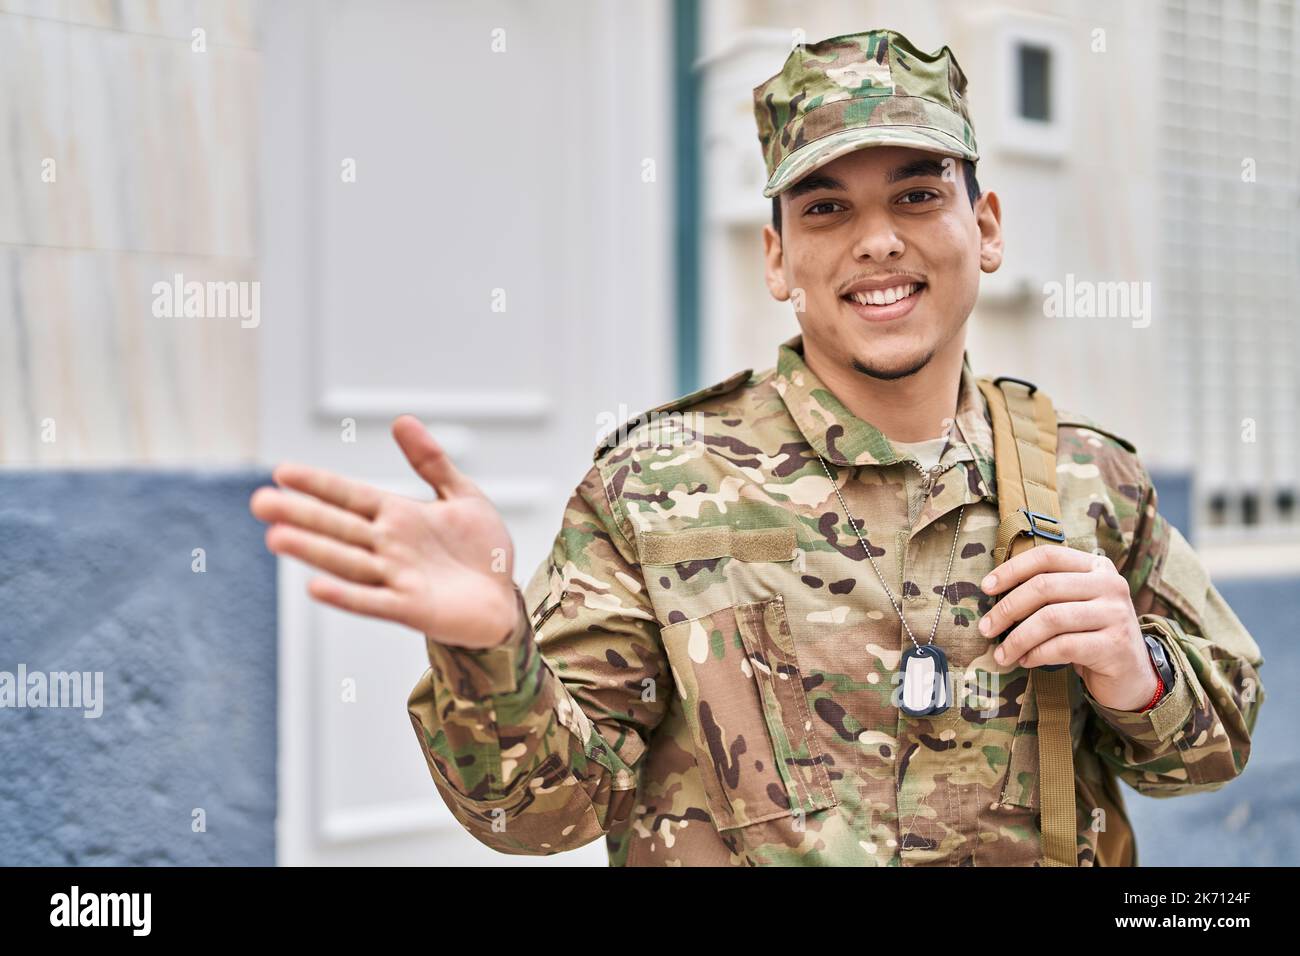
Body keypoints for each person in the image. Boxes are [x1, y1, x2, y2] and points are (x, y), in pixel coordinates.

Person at [249, 28, 1264, 866]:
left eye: (917, 193)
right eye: (826, 206)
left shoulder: (1092, 481)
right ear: (777, 254)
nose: (877, 241)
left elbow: (1211, 752)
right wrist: (487, 651)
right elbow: (536, 815)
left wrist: (1139, 674)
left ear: (984, 225)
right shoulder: (653, 488)